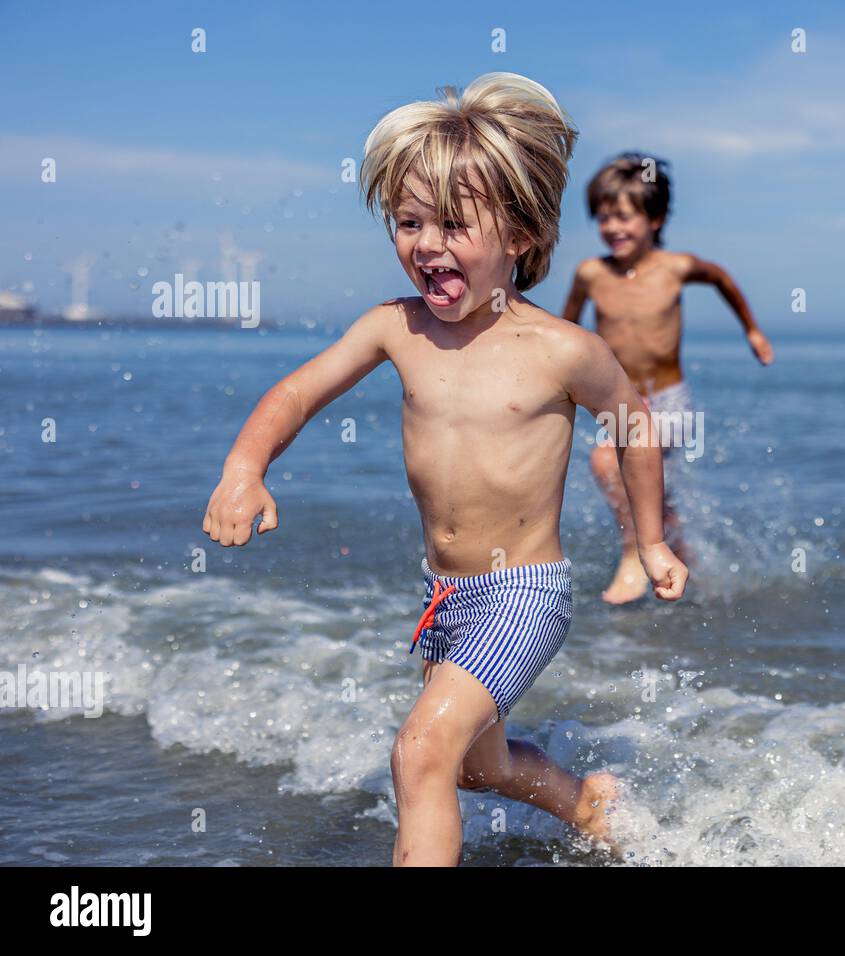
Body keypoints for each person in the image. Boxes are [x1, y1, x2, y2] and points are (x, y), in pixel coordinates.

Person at [201, 73, 688, 866]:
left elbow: (635, 424)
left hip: (523, 592)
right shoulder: (397, 328)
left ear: (522, 236)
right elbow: (298, 392)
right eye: (408, 222)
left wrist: (651, 539)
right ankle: (586, 804)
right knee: (473, 765)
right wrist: (243, 468)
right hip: (445, 595)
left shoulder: (561, 349)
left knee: (418, 752)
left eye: (454, 225)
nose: (427, 245)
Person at [562, 152, 774, 603]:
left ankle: (632, 552)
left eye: (623, 217)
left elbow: (720, 278)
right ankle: (686, 563)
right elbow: (567, 330)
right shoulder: (591, 273)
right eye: (602, 218)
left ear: (655, 218)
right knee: (653, 493)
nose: (612, 228)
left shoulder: (676, 268)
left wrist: (752, 330)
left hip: (670, 400)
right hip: (619, 400)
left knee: (606, 462)